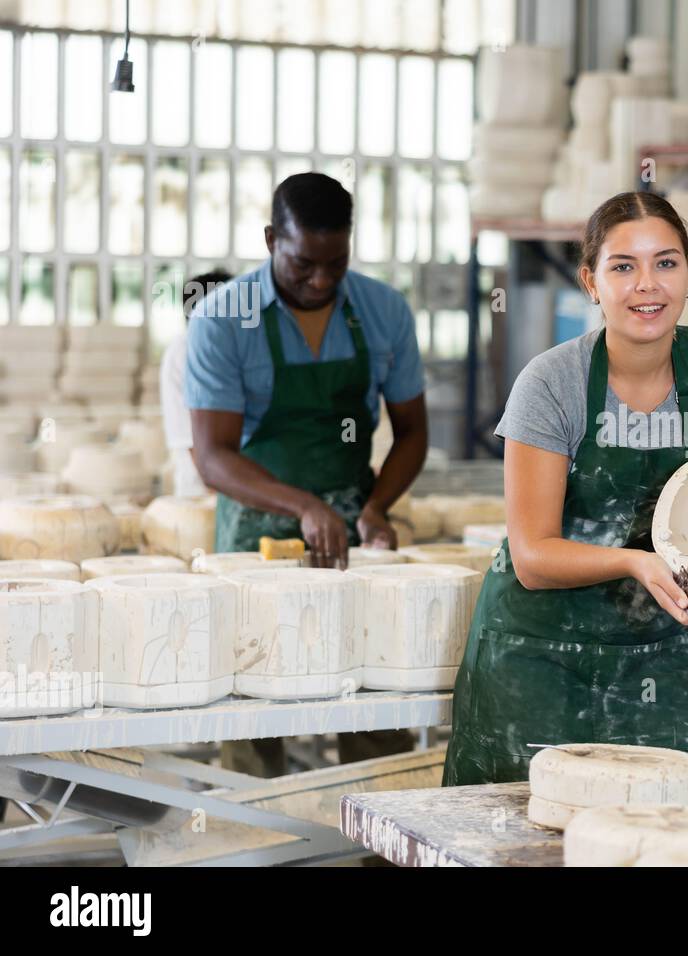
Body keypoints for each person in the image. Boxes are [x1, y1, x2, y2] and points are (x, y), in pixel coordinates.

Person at [442, 192, 688, 786]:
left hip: (653, 650)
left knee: (684, 826)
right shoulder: (551, 383)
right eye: (624, 267)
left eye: (666, 263)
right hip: (534, 654)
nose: (648, 284)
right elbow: (533, 557)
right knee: (524, 836)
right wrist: (635, 562)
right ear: (591, 282)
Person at [186, 172, 427, 775]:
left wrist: (376, 508)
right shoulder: (221, 319)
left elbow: (413, 432)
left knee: (375, 692)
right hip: (255, 531)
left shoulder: (383, 310)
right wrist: (301, 506)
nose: (320, 280)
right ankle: (257, 841)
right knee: (252, 697)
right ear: (271, 240)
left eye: (335, 263)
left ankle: (384, 847)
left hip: (353, 523)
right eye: (302, 265)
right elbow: (213, 455)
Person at [159, 269, 232, 497]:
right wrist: (224, 494)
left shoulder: (229, 349)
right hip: (203, 492)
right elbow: (192, 441)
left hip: (236, 482)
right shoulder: (184, 354)